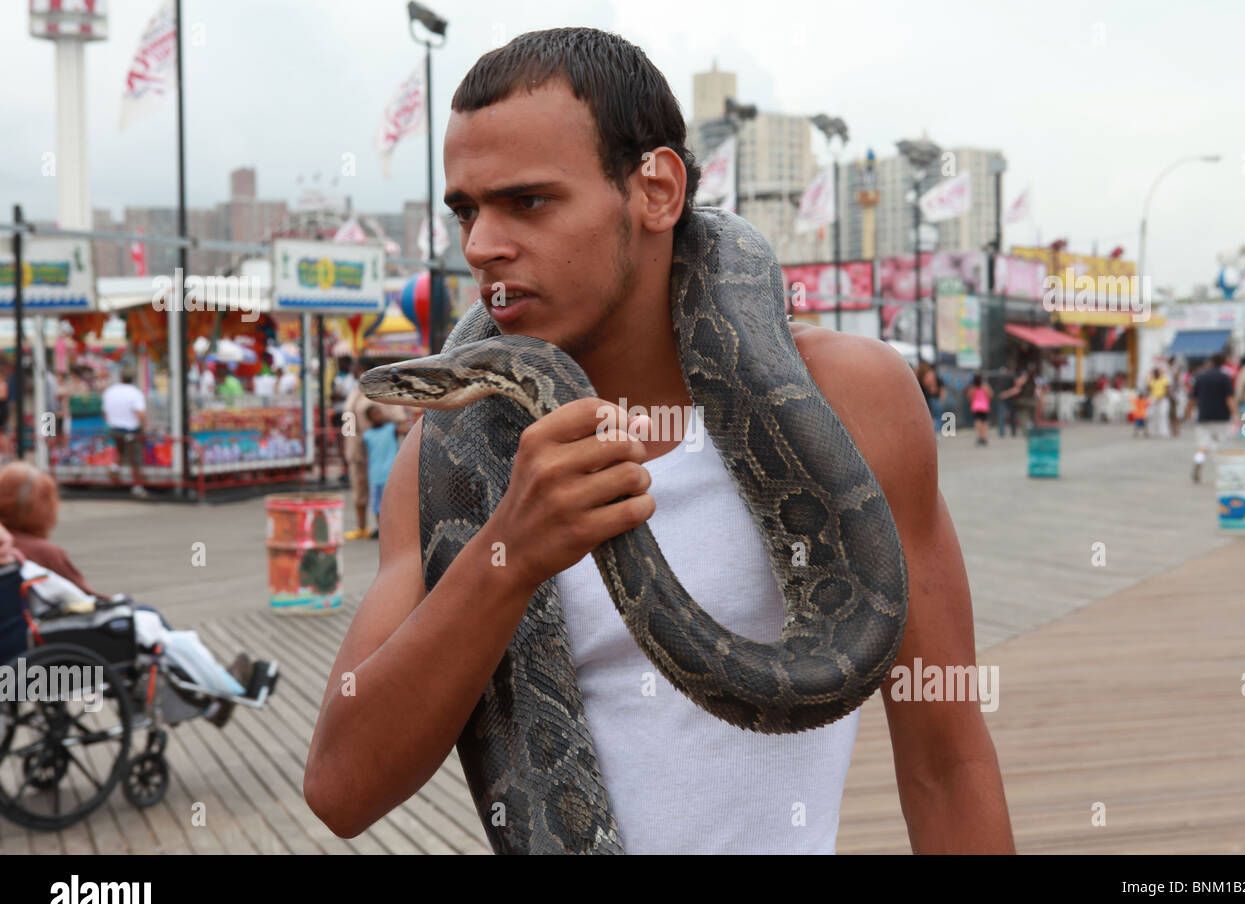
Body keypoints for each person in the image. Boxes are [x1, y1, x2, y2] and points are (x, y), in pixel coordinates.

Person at [304, 28, 1012, 853]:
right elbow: (340, 789)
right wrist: (511, 552)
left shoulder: (851, 398)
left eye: (527, 201)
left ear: (657, 190)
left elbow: (947, 761)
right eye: (467, 209)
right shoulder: (448, 453)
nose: (481, 245)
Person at [0, 466, 260, 725]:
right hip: (54, 656)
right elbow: (85, 602)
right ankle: (210, 698)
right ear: (36, 508)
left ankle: (210, 691)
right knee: (147, 623)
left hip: (16, 656)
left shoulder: (12, 551)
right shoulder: (42, 552)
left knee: (144, 624)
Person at [340, 367, 404, 540]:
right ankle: (361, 527)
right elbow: (348, 423)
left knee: (386, 494)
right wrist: (349, 448)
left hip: (380, 452)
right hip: (357, 450)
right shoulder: (354, 392)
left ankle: (387, 528)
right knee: (359, 489)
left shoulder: (383, 390)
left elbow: (399, 420)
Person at [1186, 353, 1236, 483]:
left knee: (1202, 445)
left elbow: (1192, 398)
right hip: (1222, 417)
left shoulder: (1200, 377)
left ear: (1211, 362)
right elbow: (1229, 398)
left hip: (1204, 416)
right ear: (1223, 363)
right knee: (1222, 445)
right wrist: (1236, 415)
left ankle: (1199, 460)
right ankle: (1224, 472)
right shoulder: (1225, 377)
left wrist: (1188, 412)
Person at [102, 364, 148, 498]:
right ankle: (138, 486)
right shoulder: (135, 393)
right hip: (131, 430)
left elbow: (105, 413)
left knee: (121, 452)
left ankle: (114, 469)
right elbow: (140, 413)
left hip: (114, 429)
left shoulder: (110, 391)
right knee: (136, 458)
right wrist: (144, 428)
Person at [361, 405, 399, 532]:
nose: (379, 415)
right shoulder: (367, 435)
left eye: (379, 412)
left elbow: (402, 423)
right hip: (375, 475)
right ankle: (381, 527)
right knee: (377, 504)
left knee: (392, 502)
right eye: (375, 414)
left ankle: (393, 526)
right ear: (369, 418)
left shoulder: (391, 429)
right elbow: (366, 456)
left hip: (391, 474)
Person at [966, 372, 992, 446]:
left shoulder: (973, 388)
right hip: (984, 406)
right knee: (984, 422)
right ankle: (984, 437)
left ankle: (980, 436)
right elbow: (990, 395)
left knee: (978, 421)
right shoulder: (985, 386)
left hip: (976, 406)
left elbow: (969, 397)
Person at [1147, 366, 1170, 438]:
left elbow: (1167, 390)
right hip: (1153, 399)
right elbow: (1149, 390)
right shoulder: (1151, 380)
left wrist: (1160, 397)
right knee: (1152, 415)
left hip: (1163, 399)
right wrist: (1152, 398)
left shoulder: (1164, 379)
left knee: (1163, 415)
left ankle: (1164, 431)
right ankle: (1152, 431)